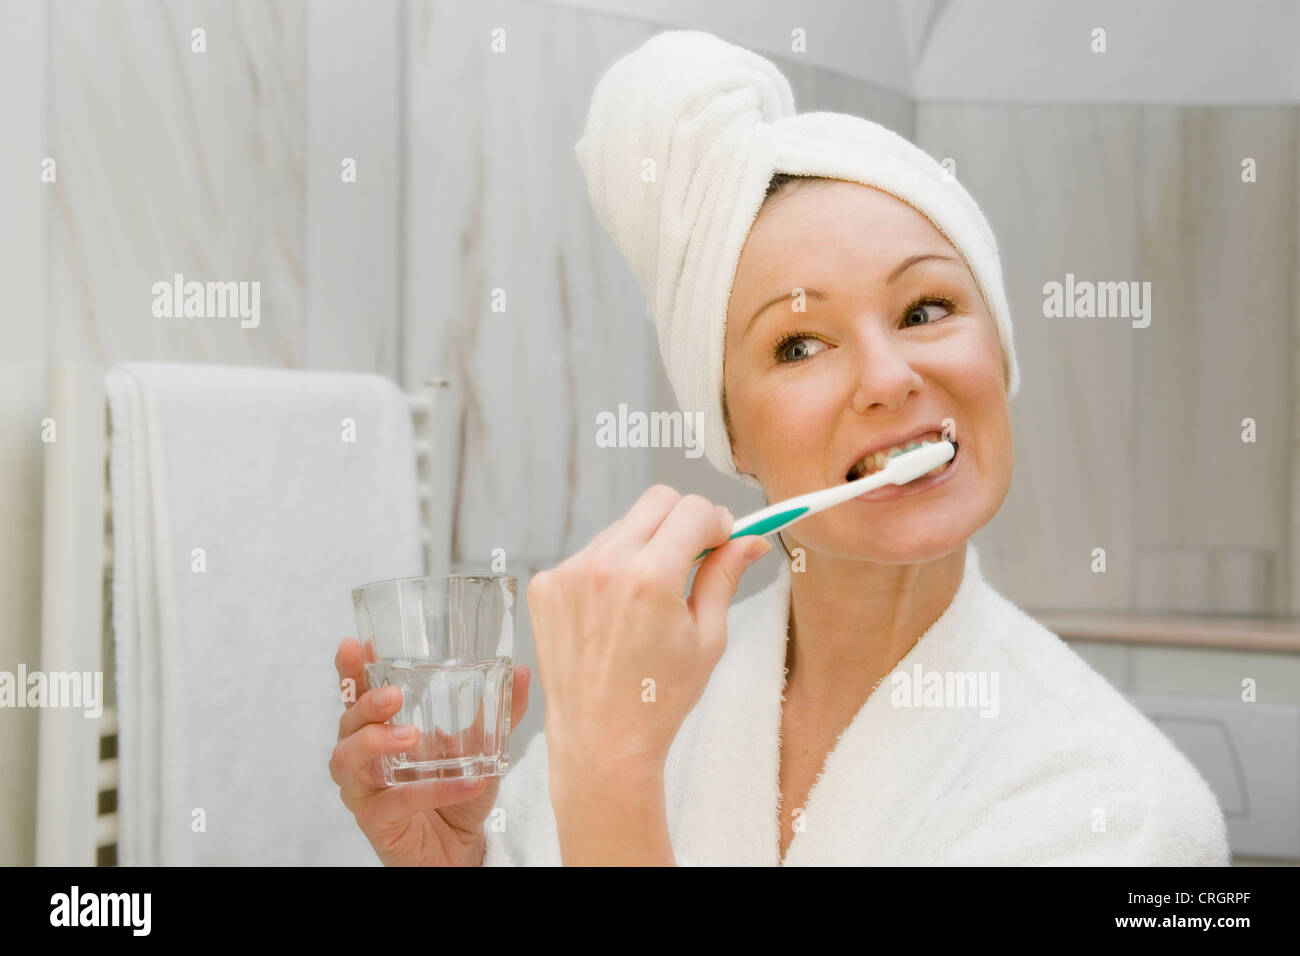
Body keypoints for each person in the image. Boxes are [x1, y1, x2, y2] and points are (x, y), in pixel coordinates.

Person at [329, 30, 1230, 866]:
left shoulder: (1123, 811)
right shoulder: (667, 692)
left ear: (999, 352)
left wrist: (607, 770)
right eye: (800, 344)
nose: (887, 377)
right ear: (731, 430)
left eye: (926, 309)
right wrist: (461, 861)